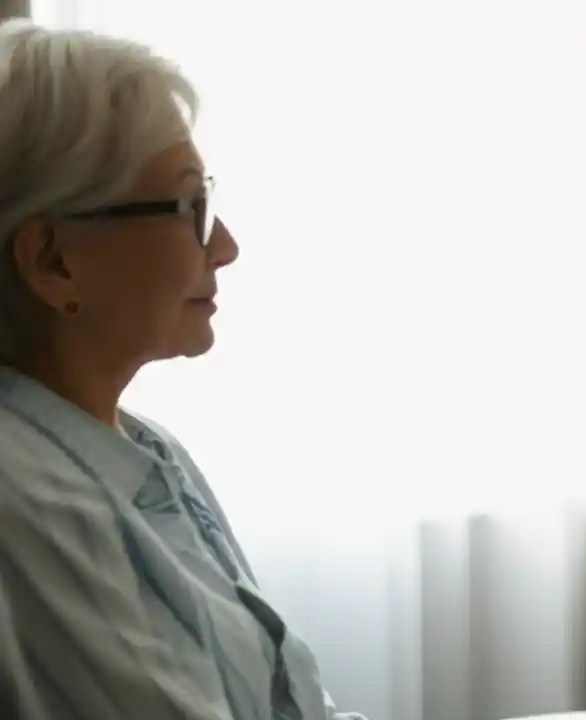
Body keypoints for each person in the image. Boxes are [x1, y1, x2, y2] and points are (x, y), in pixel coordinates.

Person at [0, 20, 364, 719]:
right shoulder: (29, 505)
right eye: (188, 207)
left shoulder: (145, 449)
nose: (224, 246)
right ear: (53, 261)